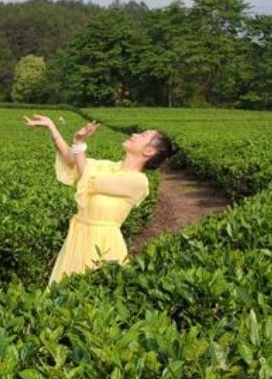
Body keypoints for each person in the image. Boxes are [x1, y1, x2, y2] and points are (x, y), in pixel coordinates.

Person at [24, 115, 173, 286]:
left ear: (148, 151)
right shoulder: (109, 167)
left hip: (103, 245)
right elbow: (72, 162)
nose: (134, 134)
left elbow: (90, 178)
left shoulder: (138, 182)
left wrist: (80, 144)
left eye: (143, 135)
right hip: (77, 238)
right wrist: (53, 128)